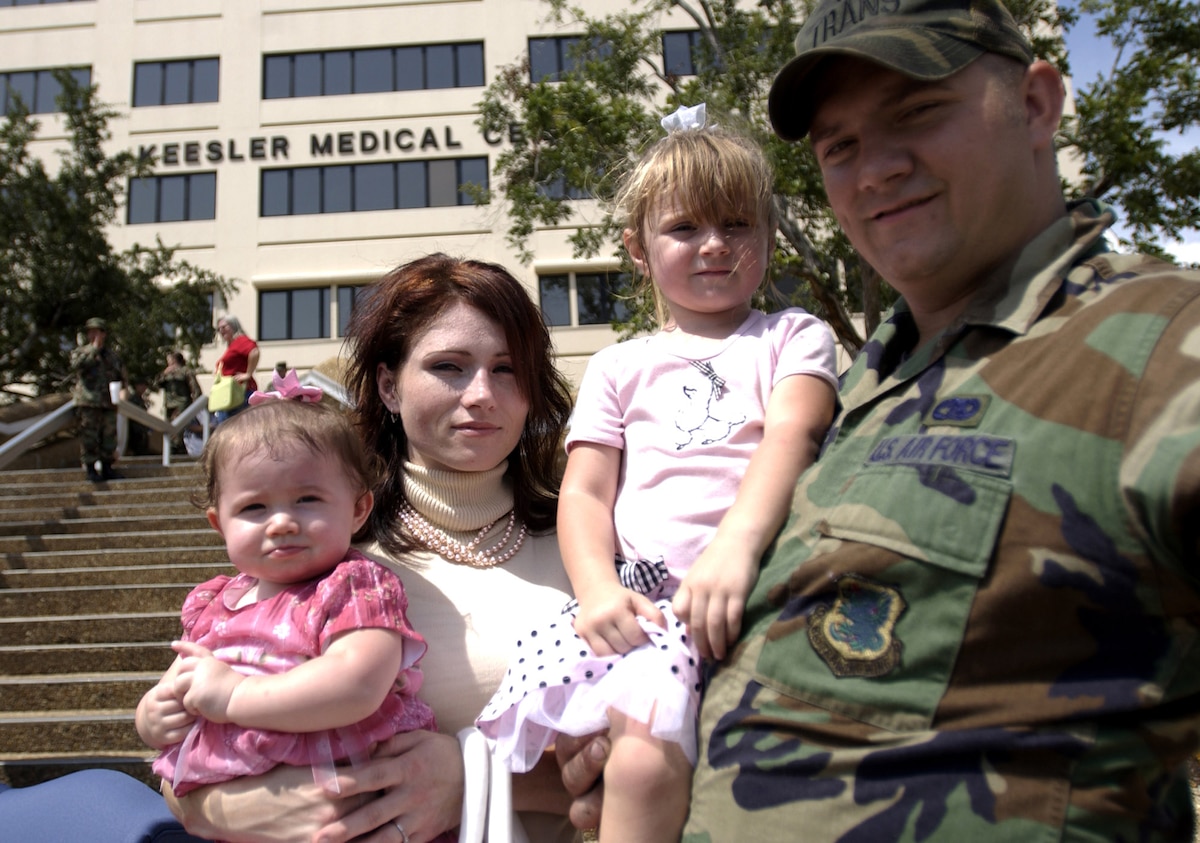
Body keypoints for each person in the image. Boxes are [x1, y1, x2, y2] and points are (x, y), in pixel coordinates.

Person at [683, 1, 1200, 841]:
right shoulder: (855, 391)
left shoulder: (1160, 346)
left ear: (1037, 104)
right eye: (838, 147)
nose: (874, 169)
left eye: (917, 112)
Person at [478, 106, 839, 843]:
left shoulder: (792, 335)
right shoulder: (618, 364)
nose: (714, 245)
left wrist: (736, 547)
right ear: (637, 250)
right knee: (638, 769)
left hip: (767, 591)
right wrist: (596, 589)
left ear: (769, 236)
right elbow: (584, 489)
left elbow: (794, 434)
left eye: (738, 224)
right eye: (684, 228)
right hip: (653, 616)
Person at [153, 254, 602, 843]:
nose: (482, 394)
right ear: (389, 386)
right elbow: (186, 751)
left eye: (508, 370)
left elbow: (652, 755)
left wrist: (471, 776)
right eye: (449, 367)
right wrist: (228, 810)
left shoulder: (592, 544)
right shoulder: (319, 553)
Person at [135, 373, 454, 842]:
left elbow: (358, 683)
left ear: (359, 509)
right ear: (218, 524)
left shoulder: (354, 585)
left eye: (308, 499)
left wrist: (233, 698)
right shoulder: (211, 605)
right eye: (254, 508)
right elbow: (181, 681)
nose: (282, 522)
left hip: (352, 807)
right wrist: (154, 714)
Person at [70, 316, 127, 482]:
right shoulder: (81, 352)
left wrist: (122, 393)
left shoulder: (111, 356)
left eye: (96, 332)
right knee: (89, 436)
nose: (93, 335)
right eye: (90, 332)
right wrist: (93, 349)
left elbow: (120, 375)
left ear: (104, 334)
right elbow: (77, 366)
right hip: (88, 401)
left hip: (107, 402)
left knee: (109, 436)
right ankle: (90, 469)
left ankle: (107, 467)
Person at [213, 315, 259, 424]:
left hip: (239, 393)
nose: (221, 330)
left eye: (224, 327)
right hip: (229, 395)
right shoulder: (232, 345)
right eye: (219, 329)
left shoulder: (240, 341)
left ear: (233, 325)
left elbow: (254, 352)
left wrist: (248, 374)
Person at [155, 351, 202, 454]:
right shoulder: (166, 373)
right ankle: (173, 450)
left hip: (182, 405)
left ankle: (178, 449)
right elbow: (156, 385)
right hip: (169, 405)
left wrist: (194, 405)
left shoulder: (185, 371)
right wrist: (164, 374)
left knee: (179, 430)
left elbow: (195, 389)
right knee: (169, 429)